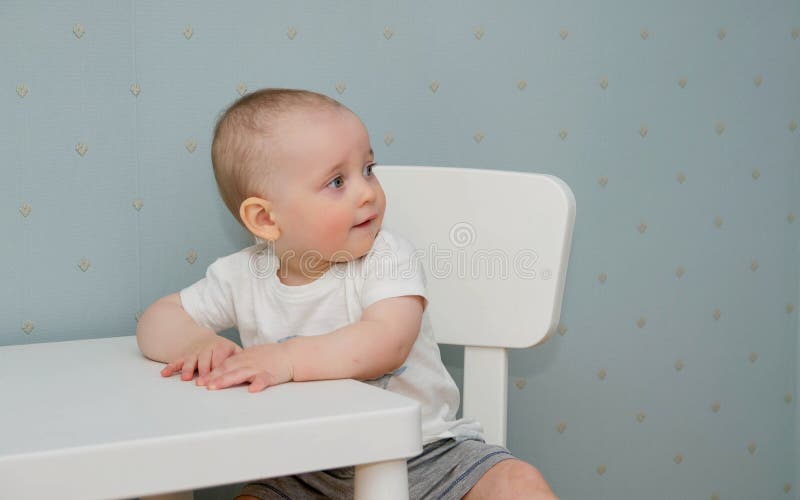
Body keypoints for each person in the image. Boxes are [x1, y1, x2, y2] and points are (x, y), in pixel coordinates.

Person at [135, 88, 557, 500]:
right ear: (265, 218)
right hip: (303, 471)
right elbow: (158, 319)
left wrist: (287, 358)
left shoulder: (385, 258)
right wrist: (197, 342)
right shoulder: (244, 275)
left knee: (518, 483)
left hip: (425, 454)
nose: (367, 191)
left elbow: (387, 341)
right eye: (337, 181)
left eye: (369, 169)